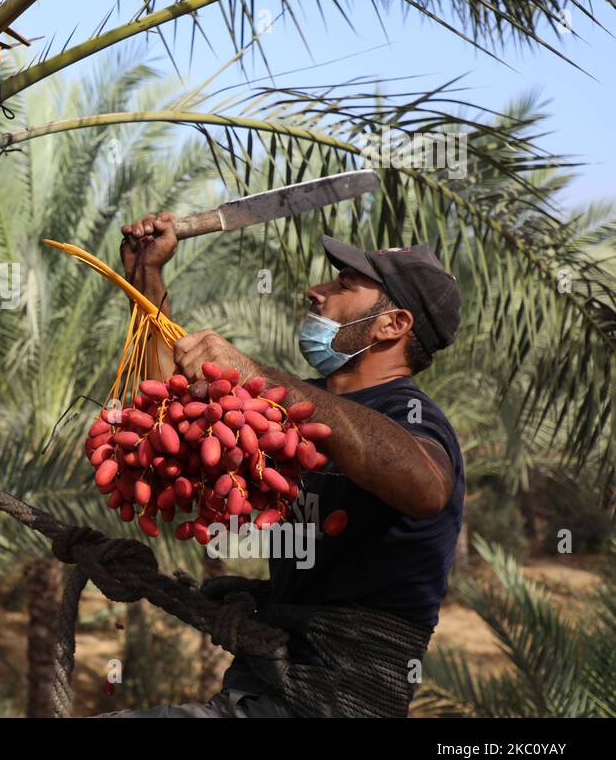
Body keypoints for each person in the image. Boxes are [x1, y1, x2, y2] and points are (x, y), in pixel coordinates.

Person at [99, 212, 465, 718]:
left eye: (343, 284)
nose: (316, 292)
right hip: (265, 688)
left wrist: (256, 373)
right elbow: (177, 418)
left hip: (330, 700)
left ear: (392, 324)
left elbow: (426, 487)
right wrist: (147, 277)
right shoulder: (291, 409)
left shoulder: (411, 416)